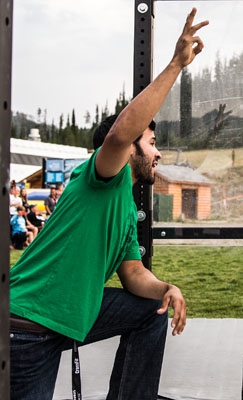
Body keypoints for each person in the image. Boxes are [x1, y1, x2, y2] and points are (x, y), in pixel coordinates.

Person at [9, 9, 207, 399]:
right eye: (151, 143)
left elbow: (132, 274)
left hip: (67, 317)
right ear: (127, 148)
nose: (159, 154)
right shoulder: (104, 174)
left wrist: (167, 288)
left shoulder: (127, 208)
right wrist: (175, 65)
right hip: (26, 326)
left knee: (152, 311)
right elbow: (120, 133)